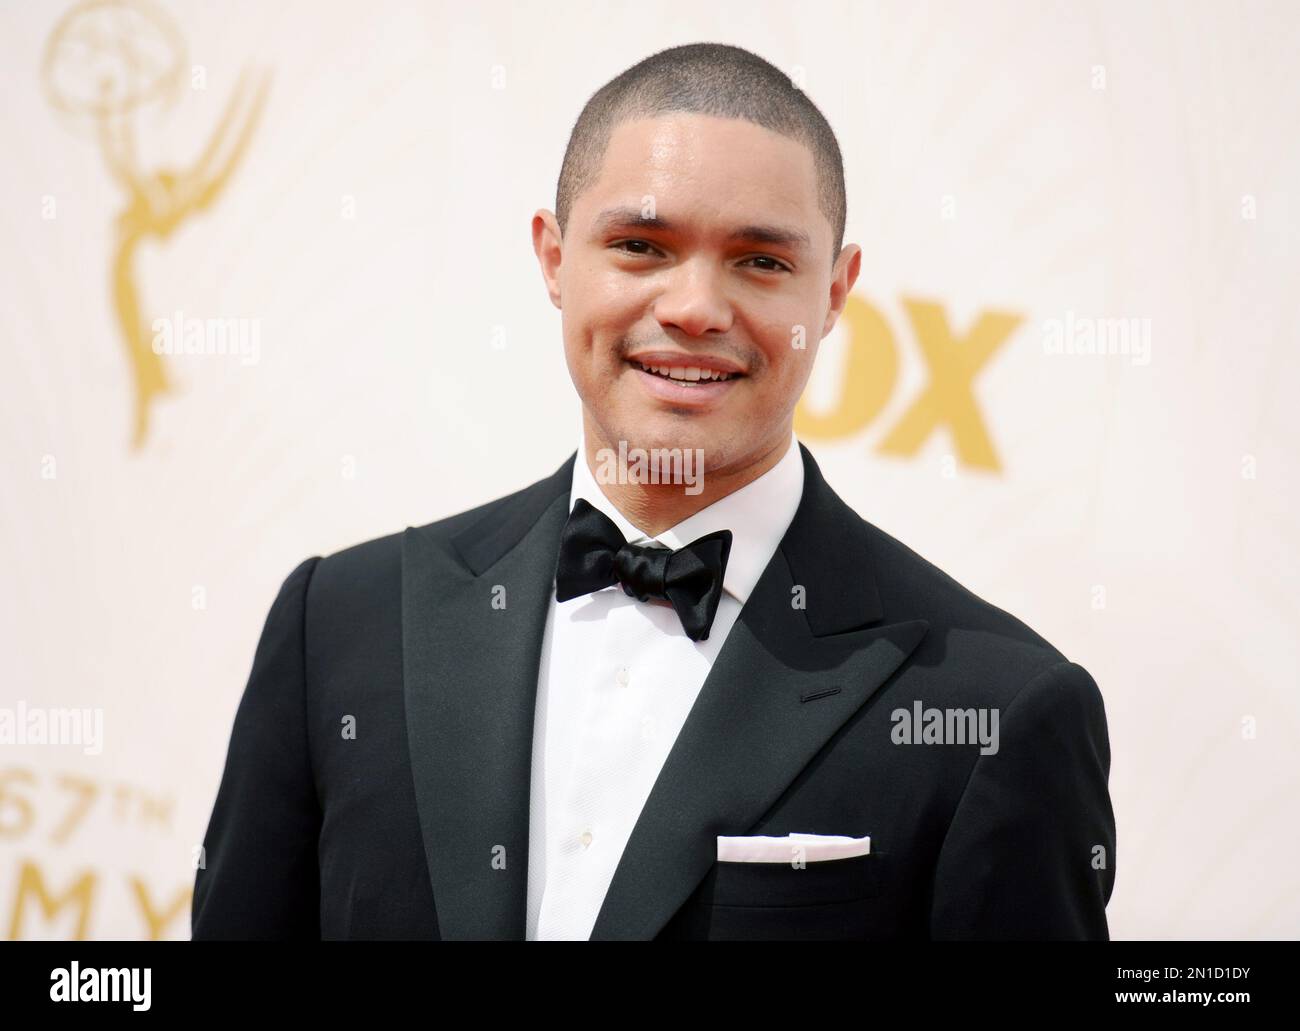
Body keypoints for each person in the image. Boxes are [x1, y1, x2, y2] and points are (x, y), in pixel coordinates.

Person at [191, 42, 1115, 941]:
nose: (695, 308)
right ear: (555, 260)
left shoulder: (998, 707)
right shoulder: (341, 624)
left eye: (761, 262)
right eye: (640, 245)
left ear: (834, 293)